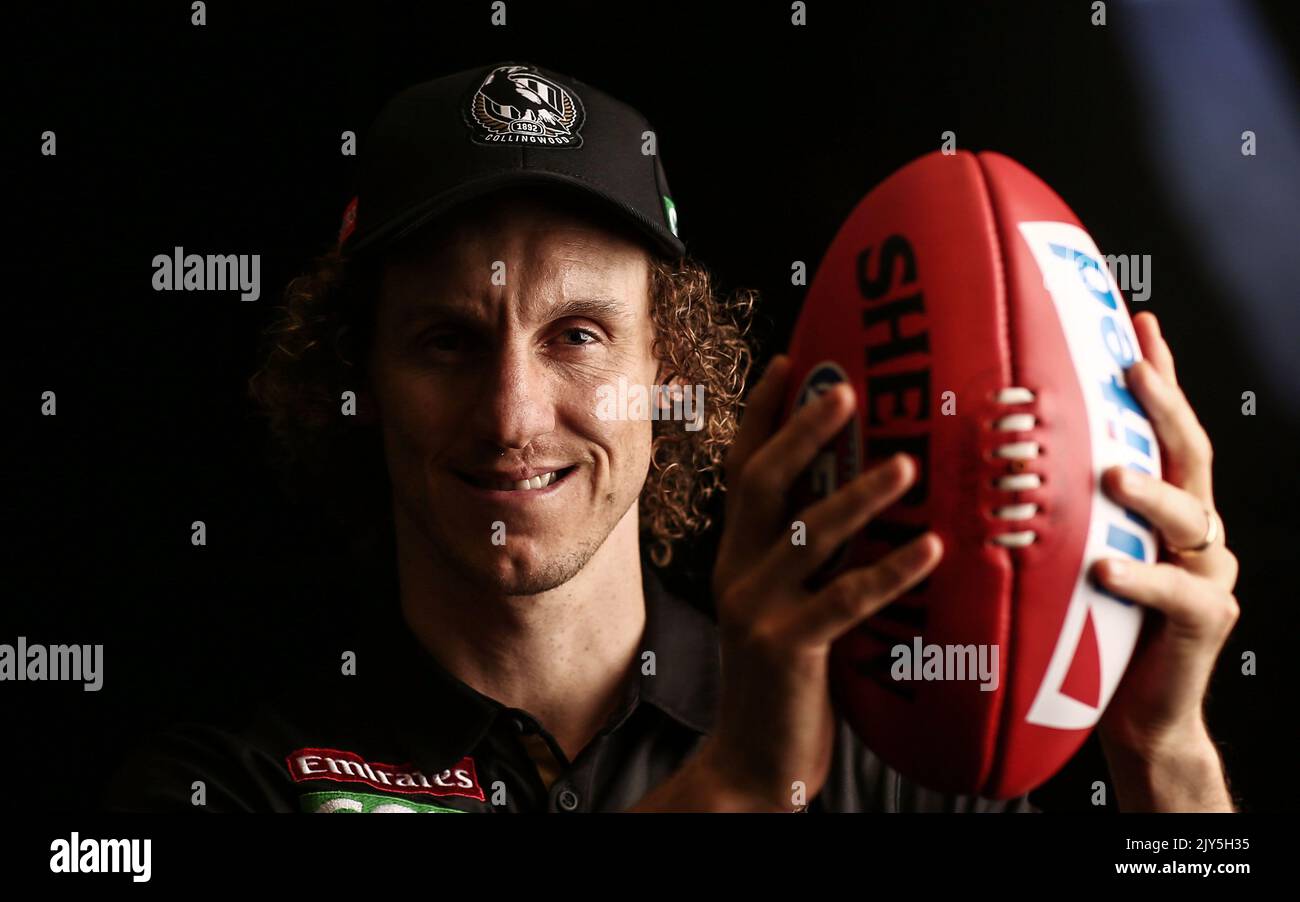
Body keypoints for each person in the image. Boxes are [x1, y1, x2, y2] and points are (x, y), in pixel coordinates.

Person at [104, 62, 1239, 813]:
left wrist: (1164, 756)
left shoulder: (899, 741)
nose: (511, 413)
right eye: (448, 340)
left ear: (671, 368)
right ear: (357, 379)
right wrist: (740, 782)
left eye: (580, 335)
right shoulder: (217, 786)